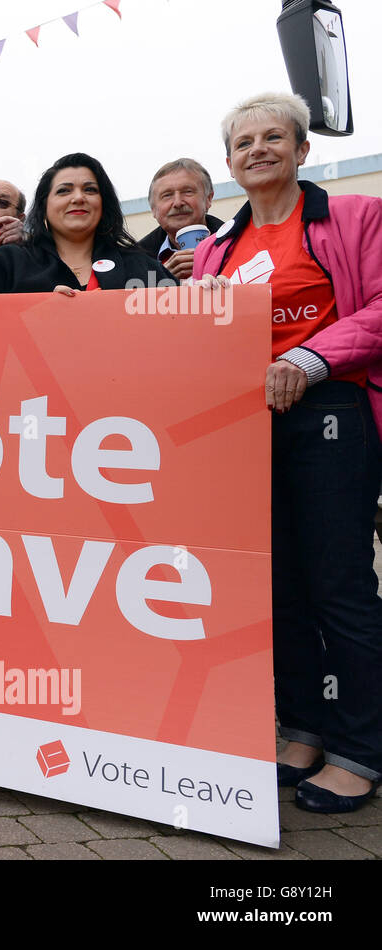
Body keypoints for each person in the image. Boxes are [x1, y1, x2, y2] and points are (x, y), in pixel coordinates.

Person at [193, 92, 382, 814]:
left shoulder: (357, 217)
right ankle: (303, 728)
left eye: (274, 137)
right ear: (232, 163)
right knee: (278, 589)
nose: (258, 149)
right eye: (244, 143)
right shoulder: (215, 250)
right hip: (244, 428)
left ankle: (361, 749)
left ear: (302, 151)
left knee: (339, 583)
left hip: (329, 412)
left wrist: (310, 359)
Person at [0, 153, 174, 294]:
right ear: (44, 206)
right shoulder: (9, 262)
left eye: (90, 190)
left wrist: (201, 295)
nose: (78, 198)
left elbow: (180, 327)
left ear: (104, 203)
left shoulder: (140, 264)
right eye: (64, 190)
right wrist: (39, 307)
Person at [136, 158, 225, 280]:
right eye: (167, 195)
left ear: (208, 199)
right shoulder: (134, 259)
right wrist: (162, 278)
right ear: (153, 209)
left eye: (187, 192)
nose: (178, 203)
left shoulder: (235, 242)